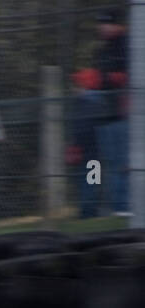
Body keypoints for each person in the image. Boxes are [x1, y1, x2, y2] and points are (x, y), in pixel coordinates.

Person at [94, 10, 129, 214]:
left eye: (105, 24)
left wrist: (108, 79)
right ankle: (108, 207)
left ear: (115, 24)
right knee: (101, 163)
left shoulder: (126, 43)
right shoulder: (103, 50)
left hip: (122, 112)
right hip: (104, 114)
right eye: (100, 24)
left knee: (122, 162)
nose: (102, 28)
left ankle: (122, 206)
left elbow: (125, 76)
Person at [68, 69, 104, 218]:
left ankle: (88, 211)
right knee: (91, 179)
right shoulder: (94, 101)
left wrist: (77, 143)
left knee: (90, 179)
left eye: (77, 84)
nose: (74, 88)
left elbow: (83, 127)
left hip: (90, 148)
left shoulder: (86, 101)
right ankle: (89, 209)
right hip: (92, 147)